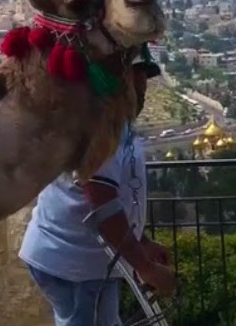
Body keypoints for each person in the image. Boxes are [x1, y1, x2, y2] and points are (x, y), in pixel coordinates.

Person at [18, 61, 176, 326]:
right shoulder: (102, 128)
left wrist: (142, 242)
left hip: (87, 260)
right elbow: (102, 205)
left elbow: (114, 198)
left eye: (144, 78)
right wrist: (144, 266)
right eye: (136, 78)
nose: (143, 87)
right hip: (74, 262)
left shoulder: (112, 123)